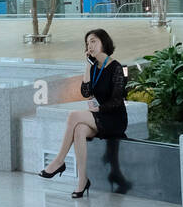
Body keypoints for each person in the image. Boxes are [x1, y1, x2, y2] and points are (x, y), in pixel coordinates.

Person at [38, 28, 128, 198]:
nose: (90, 45)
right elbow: (86, 92)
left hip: (114, 118)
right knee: (79, 129)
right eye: (87, 43)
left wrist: (99, 109)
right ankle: (82, 181)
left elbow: (117, 100)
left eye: (93, 41)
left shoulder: (116, 67)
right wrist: (87, 65)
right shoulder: (94, 68)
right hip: (99, 116)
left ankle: (59, 161)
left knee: (74, 115)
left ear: (104, 42)